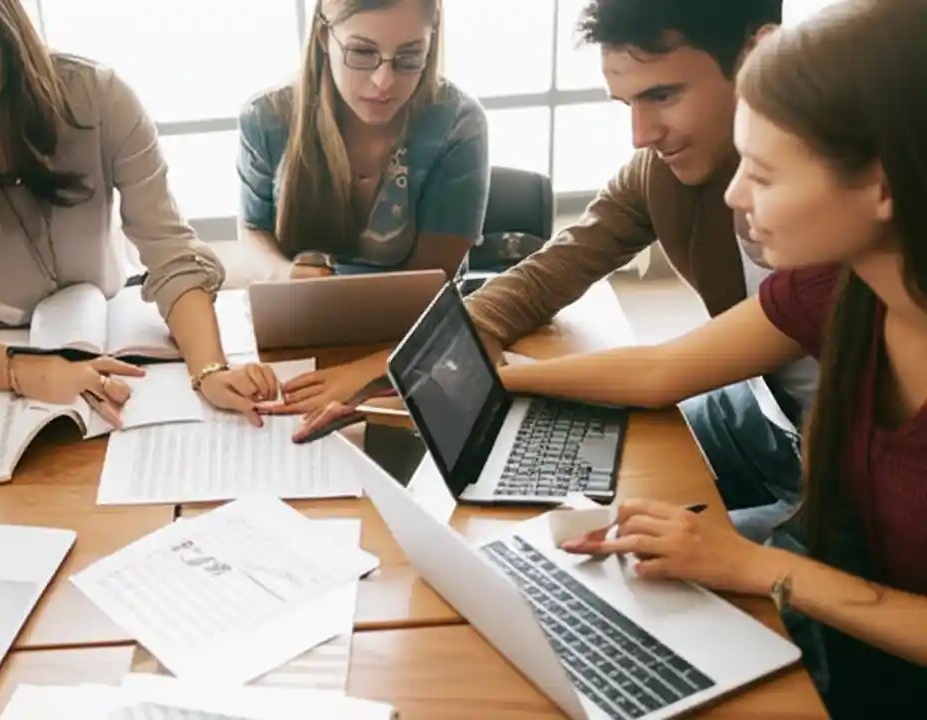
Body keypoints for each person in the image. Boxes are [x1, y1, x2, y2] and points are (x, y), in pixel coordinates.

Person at [502, 0, 927, 713]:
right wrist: (505, 378)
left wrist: (755, 565)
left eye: (762, 174)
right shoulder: (847, 284)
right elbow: (660, 368)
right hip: (848, 565)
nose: (734, 194)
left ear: (881, 184)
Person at [296, 0, 811, 544]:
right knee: (596, 469)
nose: (640, 135)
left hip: (850, 487)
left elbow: (662, 372)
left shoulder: (843, 198)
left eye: (662, 95)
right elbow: (552, 269)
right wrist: (399, 369)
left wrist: (489, 376)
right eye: (626, 102)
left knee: (641, 566)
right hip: (764, 418)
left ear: (761, 54)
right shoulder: (663, 174)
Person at [0, 0, 278, 426]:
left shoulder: (101, 98)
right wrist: (35, 372)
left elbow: (170, 252)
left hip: (117, 323)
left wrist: (209, 372)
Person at [242, 0, 487, 414]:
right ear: (324, 36)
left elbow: (429, 284)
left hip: (410, 341)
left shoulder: (458, 125)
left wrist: (366, 372)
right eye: (361, 52)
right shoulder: (266, 118)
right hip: (299, 335)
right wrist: (284, 274)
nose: (383, 81)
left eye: (409, 57)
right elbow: (253, 229)